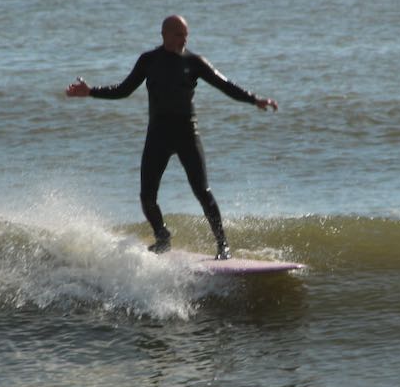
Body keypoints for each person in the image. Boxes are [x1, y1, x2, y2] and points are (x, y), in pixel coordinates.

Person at [65, 15, 277, 259]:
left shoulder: (194, 62)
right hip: (158, 134)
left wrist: (254, 99)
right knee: (147, 196)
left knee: (202, 191)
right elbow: (124, 90)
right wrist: (91, 92)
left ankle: (223, 245)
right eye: (179, 34)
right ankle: (162, 236)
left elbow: (225, 85)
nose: (184, 39)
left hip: (187, 132)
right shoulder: (148, 60)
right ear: (164, 34)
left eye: (186, 34)